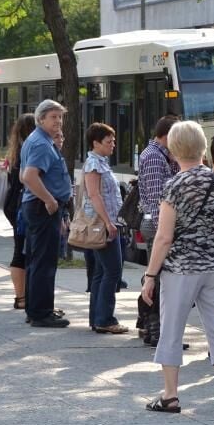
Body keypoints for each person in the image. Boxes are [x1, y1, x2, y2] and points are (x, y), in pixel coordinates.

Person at [140, 121, 214, 414]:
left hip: (181, 270)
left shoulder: (173, 186)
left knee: (172, 329)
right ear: (203, 147)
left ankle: (171, 395)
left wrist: (150, 275)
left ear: (174, 150)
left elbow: (163, 238)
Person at [19, 100, 72, 328]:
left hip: (38, 207)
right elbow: (29, 176)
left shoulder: (40, 140)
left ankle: (37, 309)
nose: (58, 122)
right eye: (53, 117)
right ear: (41, 119)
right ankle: (41, 313)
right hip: (43, 207)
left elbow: (25, 175)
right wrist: (49, 200)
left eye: (60, 117)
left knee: (36, 260)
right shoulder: (41, 143)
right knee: (44, 261)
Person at [137, 114, 180, 345]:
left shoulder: (162, 155)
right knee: (160, 278)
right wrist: (165, 233)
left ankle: (149, 324)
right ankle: (155, 329)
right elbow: (156, 200)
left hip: (159, 224)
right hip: (158, 225)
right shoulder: (154, 157)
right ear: (168, 136)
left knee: (158, 277)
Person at [83, 123, 128, 334]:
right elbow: (94, 195)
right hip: (103, 225)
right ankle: (105, 319)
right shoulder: (93, 164)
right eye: (109, 142)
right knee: (112, 272)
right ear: (96, 143)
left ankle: (97, 318)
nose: (113, 145)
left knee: (102, 272)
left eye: (113, 141)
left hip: (107, 223)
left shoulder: (101, 162)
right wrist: (109, 222)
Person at [4, 114, 36, 312]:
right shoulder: (29, 150)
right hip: (22, 207)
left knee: (20, 250)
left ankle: (21, 296)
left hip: (13, 206)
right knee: (22, 252)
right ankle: (22, 297)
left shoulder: (16, 150)